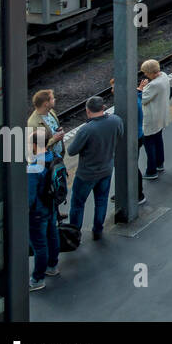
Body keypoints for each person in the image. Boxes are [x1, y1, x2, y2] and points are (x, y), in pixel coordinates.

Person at [66, 96, 124, 242]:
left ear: (87, 111)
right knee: (102, 200)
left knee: (78, 204)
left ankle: (74, 234)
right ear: (103, 107)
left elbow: (72, 151)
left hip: (86, 174)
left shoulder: (86, 129)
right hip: (106, 169)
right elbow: (120, 135)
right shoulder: (116, 120)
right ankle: (98, 230)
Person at [26, 131, 60, 291]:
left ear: (34, 145)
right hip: (51, 206)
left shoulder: (33, 169)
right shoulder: (54, 156)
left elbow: (29, 198)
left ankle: (38, 279)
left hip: (37, 212)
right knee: (52, 236)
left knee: (39, 245)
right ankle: (53, 266)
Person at [139, 59, 169, 179]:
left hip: (151, 118)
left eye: (146, 72)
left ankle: (151, 171)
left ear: (151, 72)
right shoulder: (164, 76)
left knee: (149, 143)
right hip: (160, 115)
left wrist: (141, 88)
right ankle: (159, 163)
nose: (145, 75)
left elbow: (143, 99)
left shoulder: (153, 85)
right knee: (158, 139)